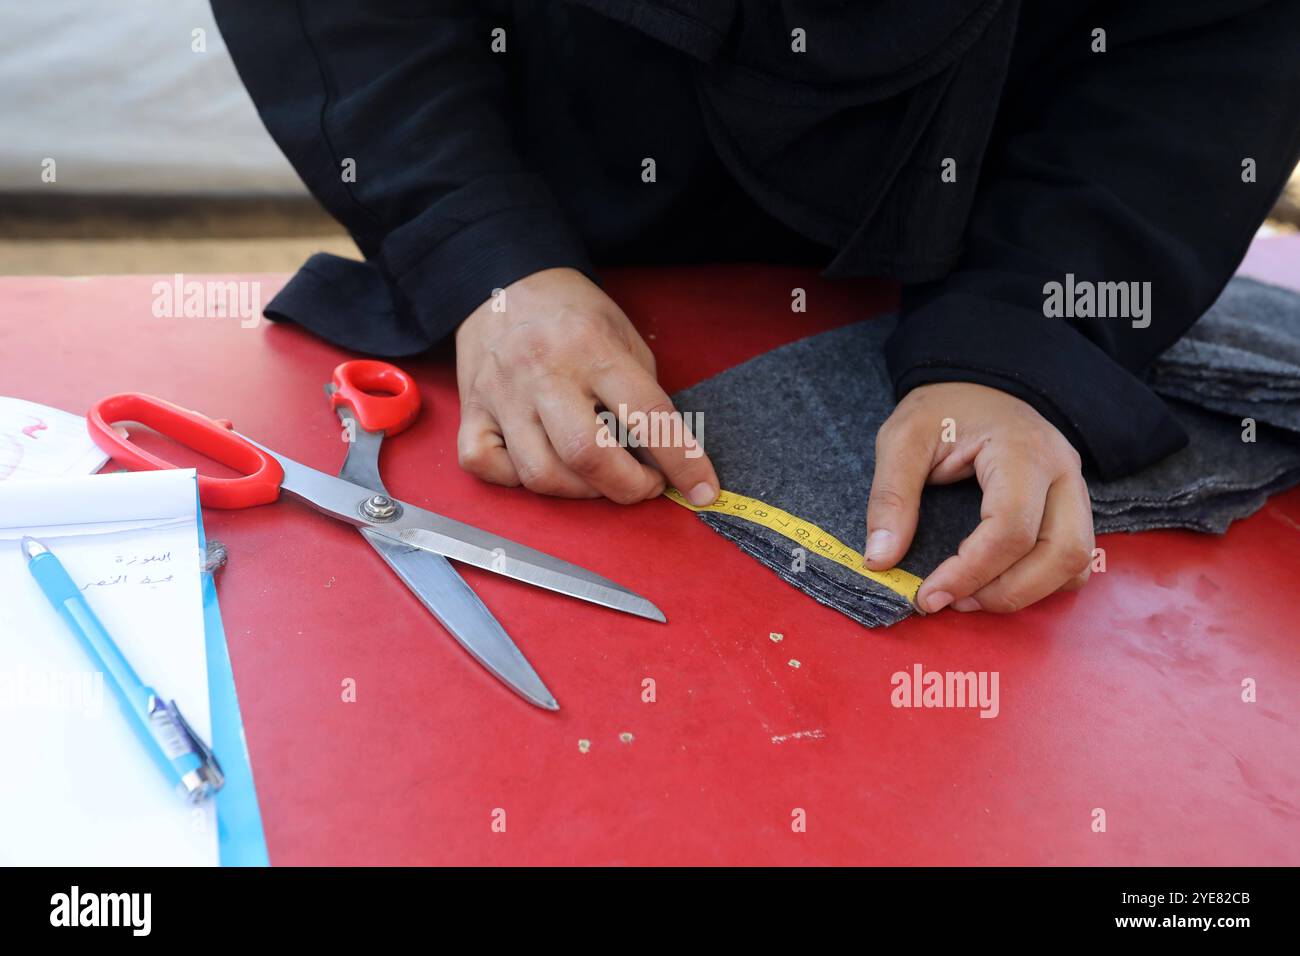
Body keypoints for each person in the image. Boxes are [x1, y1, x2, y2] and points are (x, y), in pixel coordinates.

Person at [210, 0, 1300, 614]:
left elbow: (1213, 43)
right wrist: (479, 248)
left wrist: (1029, 336)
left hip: (989, 216)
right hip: (539, 179)